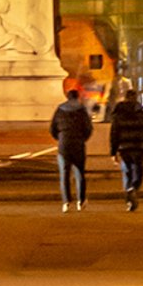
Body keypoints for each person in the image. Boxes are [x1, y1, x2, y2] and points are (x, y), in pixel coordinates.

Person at [107, 85, 143, 211]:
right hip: (139, 146)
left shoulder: (118, 114)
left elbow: (114, 134)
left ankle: (129, 192)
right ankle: (134, 188)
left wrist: (113, 151)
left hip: (124, 147)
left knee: (127, 171)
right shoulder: (142, 114)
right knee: (139, 170)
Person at [50, 82, 93, 212]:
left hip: (64, 146)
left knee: (64, 174)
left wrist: (60, 138)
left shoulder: (60, 110)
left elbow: (52, 128)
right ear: (77, 97)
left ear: (67, 97)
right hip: (78, 145)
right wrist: (82, 139)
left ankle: (66, 202)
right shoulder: (82, 110)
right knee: (79, 173)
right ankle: (81, 201)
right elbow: (88, 128)